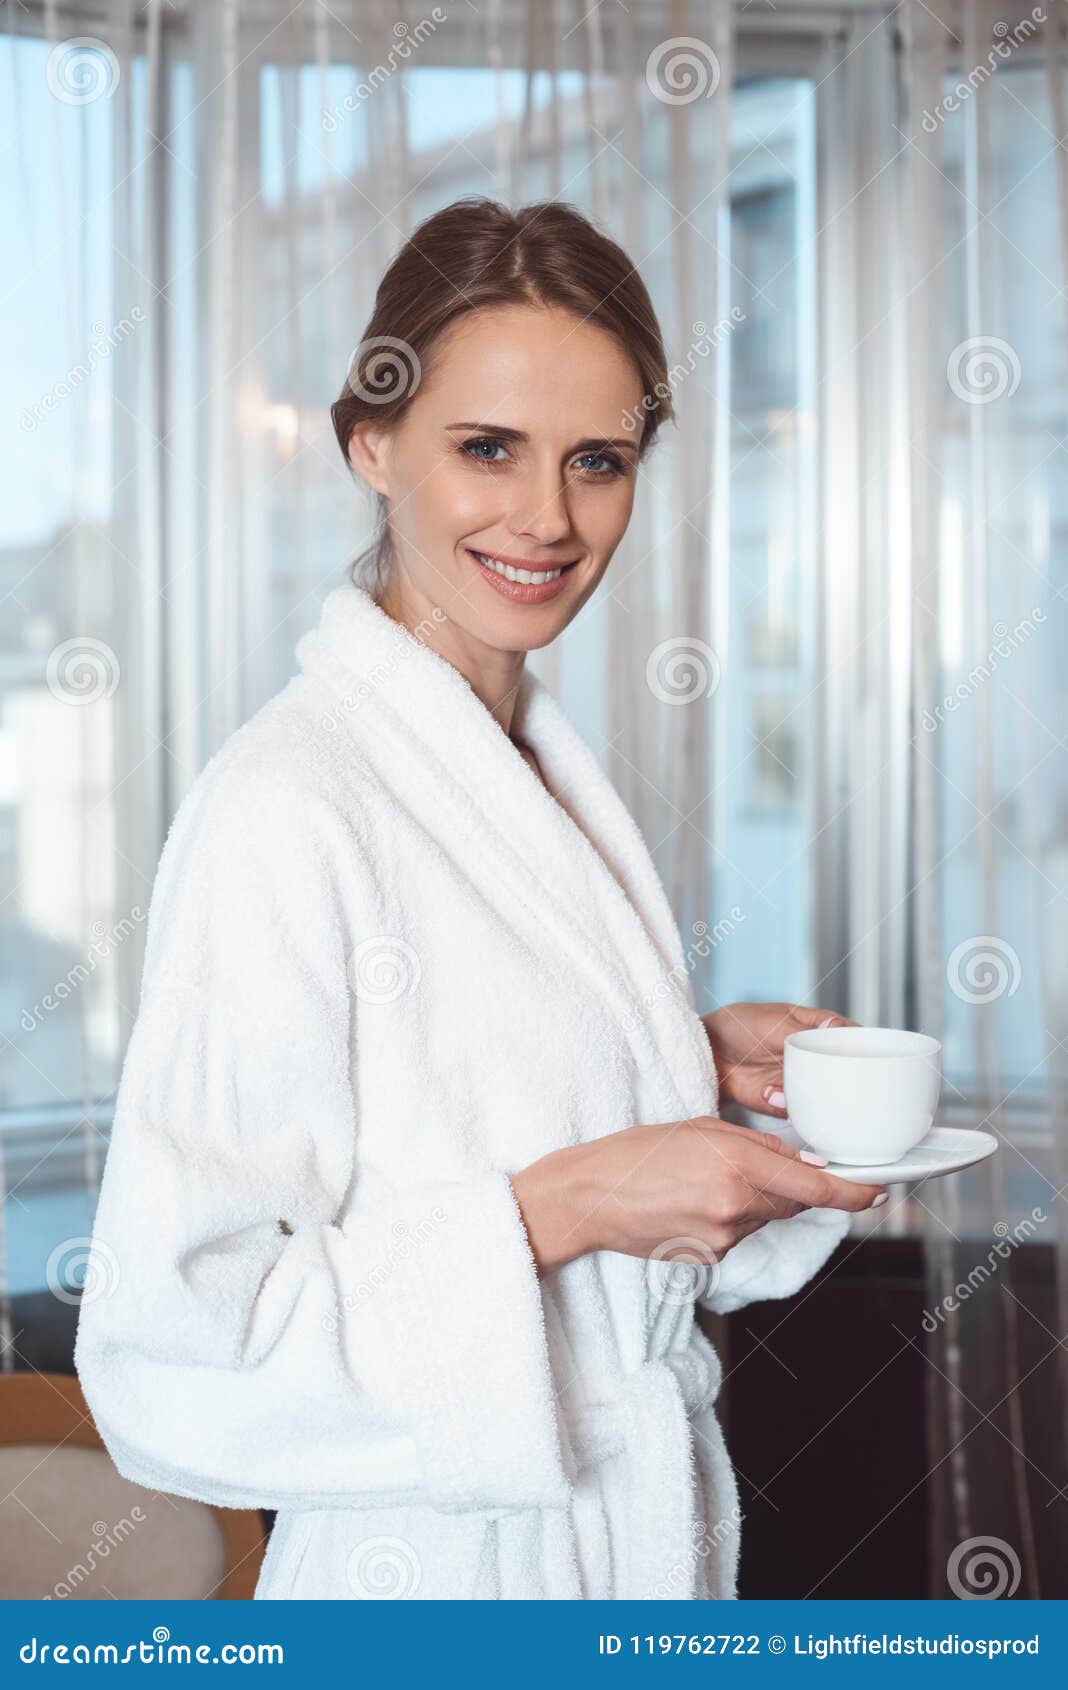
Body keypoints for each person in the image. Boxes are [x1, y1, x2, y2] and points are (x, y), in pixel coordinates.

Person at [75, 197, 886, 1601]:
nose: (549, 518)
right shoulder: (289, 804)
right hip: (433, 1579)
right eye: (487, 449)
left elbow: (436, 1102)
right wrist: (569, 1200)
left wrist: (681, 1064)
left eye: (598, 460)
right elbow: (177, 1347)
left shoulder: (530, 772)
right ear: (372, 445)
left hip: (630, 1548)